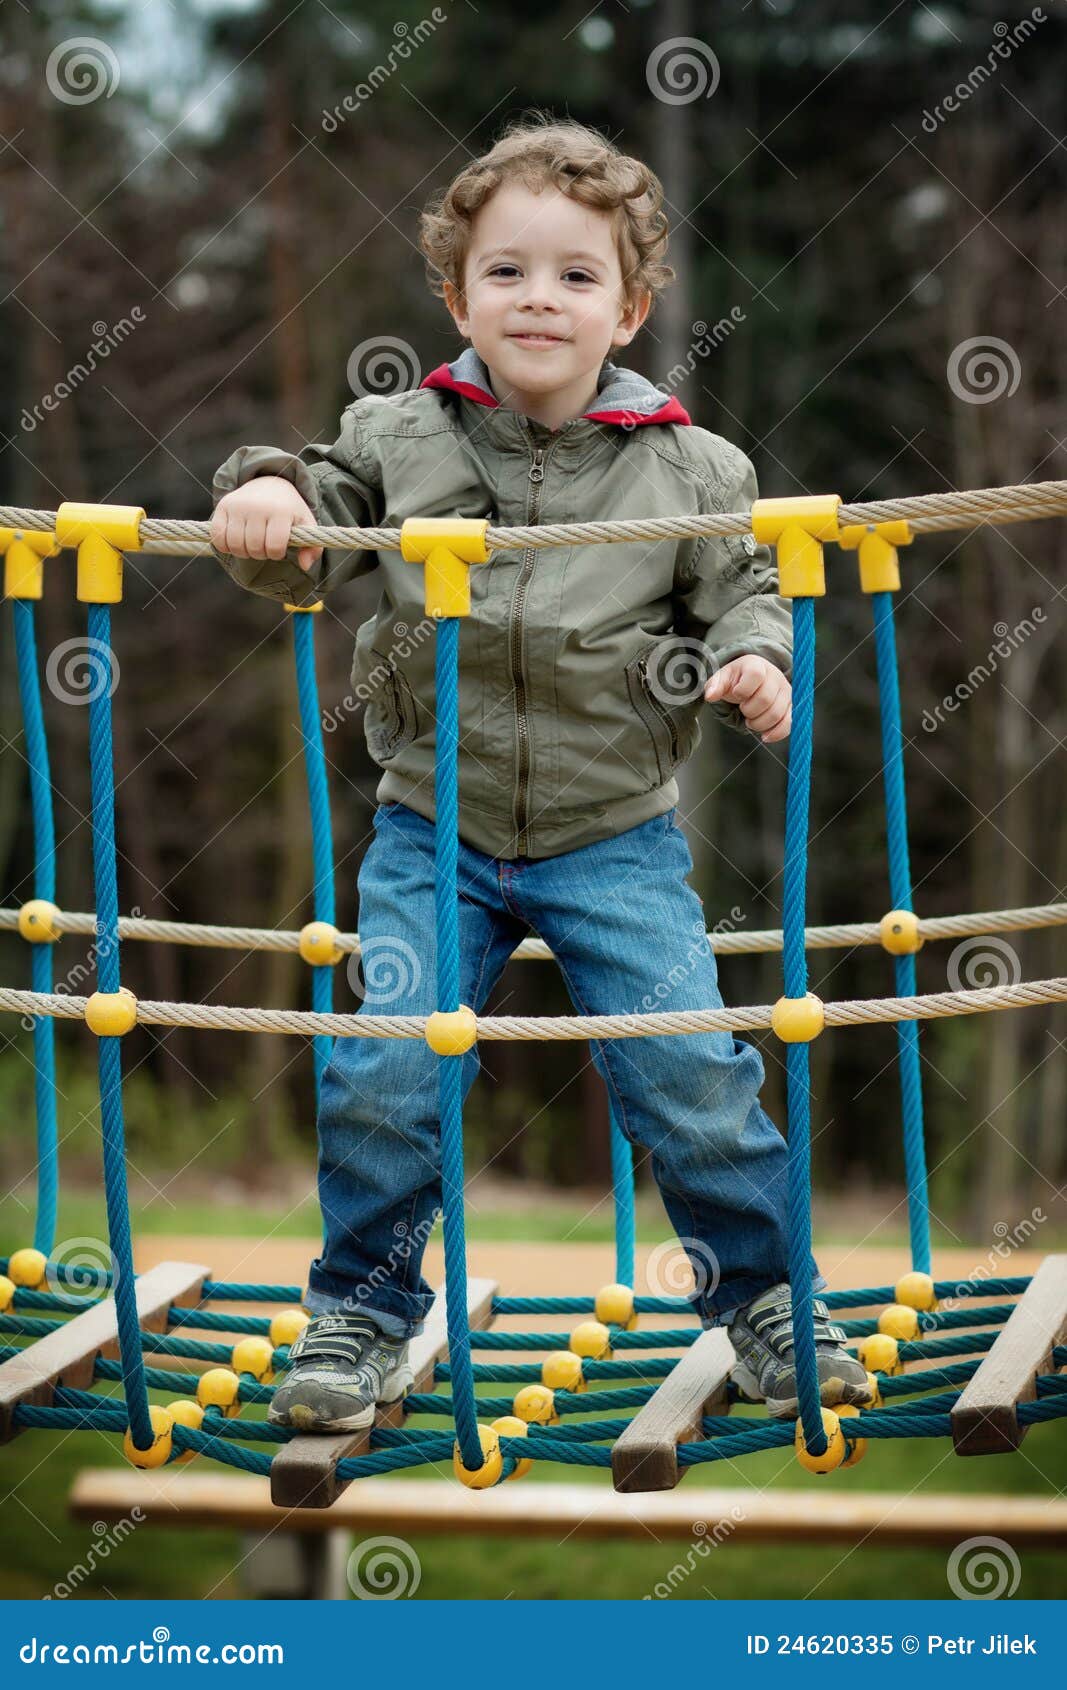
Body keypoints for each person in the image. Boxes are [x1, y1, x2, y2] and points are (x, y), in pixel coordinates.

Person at [210, 114, 870, 1433]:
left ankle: (767, 1297)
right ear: (455, 296)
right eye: (506, 271)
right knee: (388, 1065)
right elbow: (308, 519)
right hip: (426, 824)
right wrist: (266, 493)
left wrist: (756, 663)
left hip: (615, 830)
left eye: (575, 277)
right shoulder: (400, 435)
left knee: (687, 1066)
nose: (538, 299)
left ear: (629, 309)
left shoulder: (690, 466)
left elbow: (747, 585)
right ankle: (364, 1313)